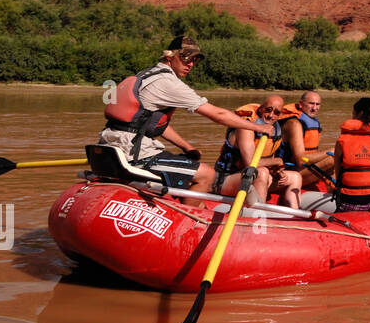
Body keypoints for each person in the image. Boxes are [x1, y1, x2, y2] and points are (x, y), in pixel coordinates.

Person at [99, 36, 272, 202]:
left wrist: (187, 147)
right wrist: (258, 128)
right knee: (207, 174)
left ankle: (192, 203)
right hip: (133, 153)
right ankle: (192, 222)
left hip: (111, 147)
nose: (190, 64)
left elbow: (151, 123)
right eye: (185, 58)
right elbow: (218, 115)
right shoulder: (168, 83)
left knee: (188, 166)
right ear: (169, 56)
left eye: (194, 60)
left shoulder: (148, 73)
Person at [304, 97, 370, 213]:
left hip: (349, 203)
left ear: (359, 114)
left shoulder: (342, 140)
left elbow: (339, 176)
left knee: (309, 198)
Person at [212, 95, 302, 209]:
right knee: (262, 172)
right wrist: (276, 161)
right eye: (268, 110)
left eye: (276, 113)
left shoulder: (275, 130)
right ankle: (259, 215)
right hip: (225, 180)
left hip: (251, 179)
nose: (271, 115)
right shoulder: (245, 127)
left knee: (296, 177)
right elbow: (250, 164)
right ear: (261, 108)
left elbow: (267, 161)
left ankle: (293, 217)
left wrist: (276, 171)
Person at [277, 91, 334, 181]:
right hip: (287, 171)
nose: (314, 108)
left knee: (337, 158)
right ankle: (335, 192)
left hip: (303, 168)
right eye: (311, 103)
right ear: (301, 104)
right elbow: (301, 160)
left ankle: (335, 191)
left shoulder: (313, 121)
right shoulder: (294, 124)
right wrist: (331, 151)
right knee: (332, 159)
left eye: (317, 104)